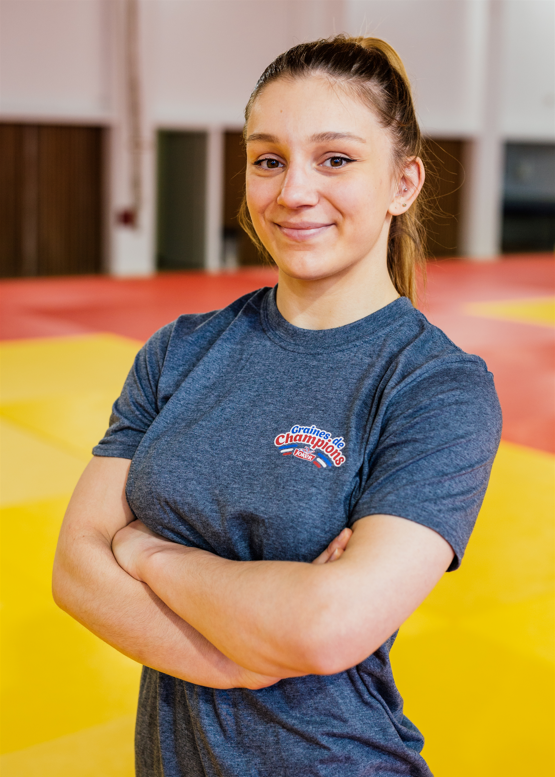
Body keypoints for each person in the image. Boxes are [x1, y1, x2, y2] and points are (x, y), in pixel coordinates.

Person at [53, 36, 502, 776]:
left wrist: (142, 549)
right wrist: (248, 651)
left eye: (335, 159)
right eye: (268, 159)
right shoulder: (181, 350)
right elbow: (74, 570)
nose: (293, 191)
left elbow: (325, 629)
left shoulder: (434, 386)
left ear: (402, 182)